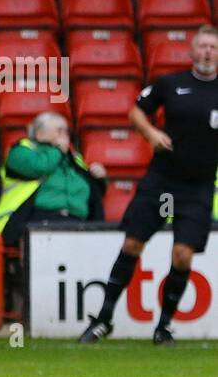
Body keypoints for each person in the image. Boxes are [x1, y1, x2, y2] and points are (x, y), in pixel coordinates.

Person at [80, 25, 218, 345]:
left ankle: (164, 326)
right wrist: (151, 134)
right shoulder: (171, 84)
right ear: (192, 51)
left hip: (197, 187)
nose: (208, 52)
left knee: (183, 255)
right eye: (203, 46)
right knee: (132, 244)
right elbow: (135, 112)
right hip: (163, 182)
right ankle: (104, 319)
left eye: (213, 46)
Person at [0, 112, 106, 246]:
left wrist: (98, 177)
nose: (64, 134)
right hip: (33, 222)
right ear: (39, 133)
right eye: (59, 130)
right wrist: (57, 150)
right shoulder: (21, 151)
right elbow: (40, 167)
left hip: (77, 223)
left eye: (66, 131)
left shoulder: (73, 159)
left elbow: (93, 192)